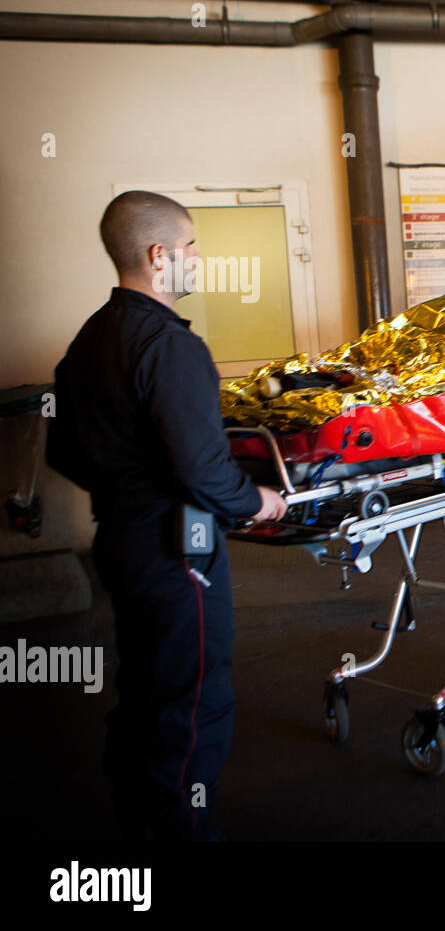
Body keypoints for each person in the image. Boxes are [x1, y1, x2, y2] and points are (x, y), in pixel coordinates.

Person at [47, 191, 287, 840]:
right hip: (179, 550)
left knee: (148, 695)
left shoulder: (90, 339)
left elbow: (63, 449)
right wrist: (257, 501)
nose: (197, 261)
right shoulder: (171, 347)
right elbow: (205, 471)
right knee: (192, 705)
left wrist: (130, 488)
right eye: (191, 249)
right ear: (159, 256)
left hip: (123, 543)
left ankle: (140, 824)